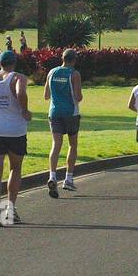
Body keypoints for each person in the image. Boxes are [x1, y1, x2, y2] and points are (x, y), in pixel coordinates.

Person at [0, 50, 32, 227]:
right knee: (15, 168)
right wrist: (23, 110)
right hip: (15, 130)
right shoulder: (18, 78)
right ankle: (10, 209)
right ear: (14, 62)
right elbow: (21, 93)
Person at [43, 48, 82, 197]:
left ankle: (52, 176)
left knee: (56, 144)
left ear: (62, 58)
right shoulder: (74, 74)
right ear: (74, 60)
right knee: (72, 144)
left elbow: (46, 95)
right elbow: (78, 97)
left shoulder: (52, 72)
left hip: (54, 112)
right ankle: (68, 178)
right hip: (71, 112)